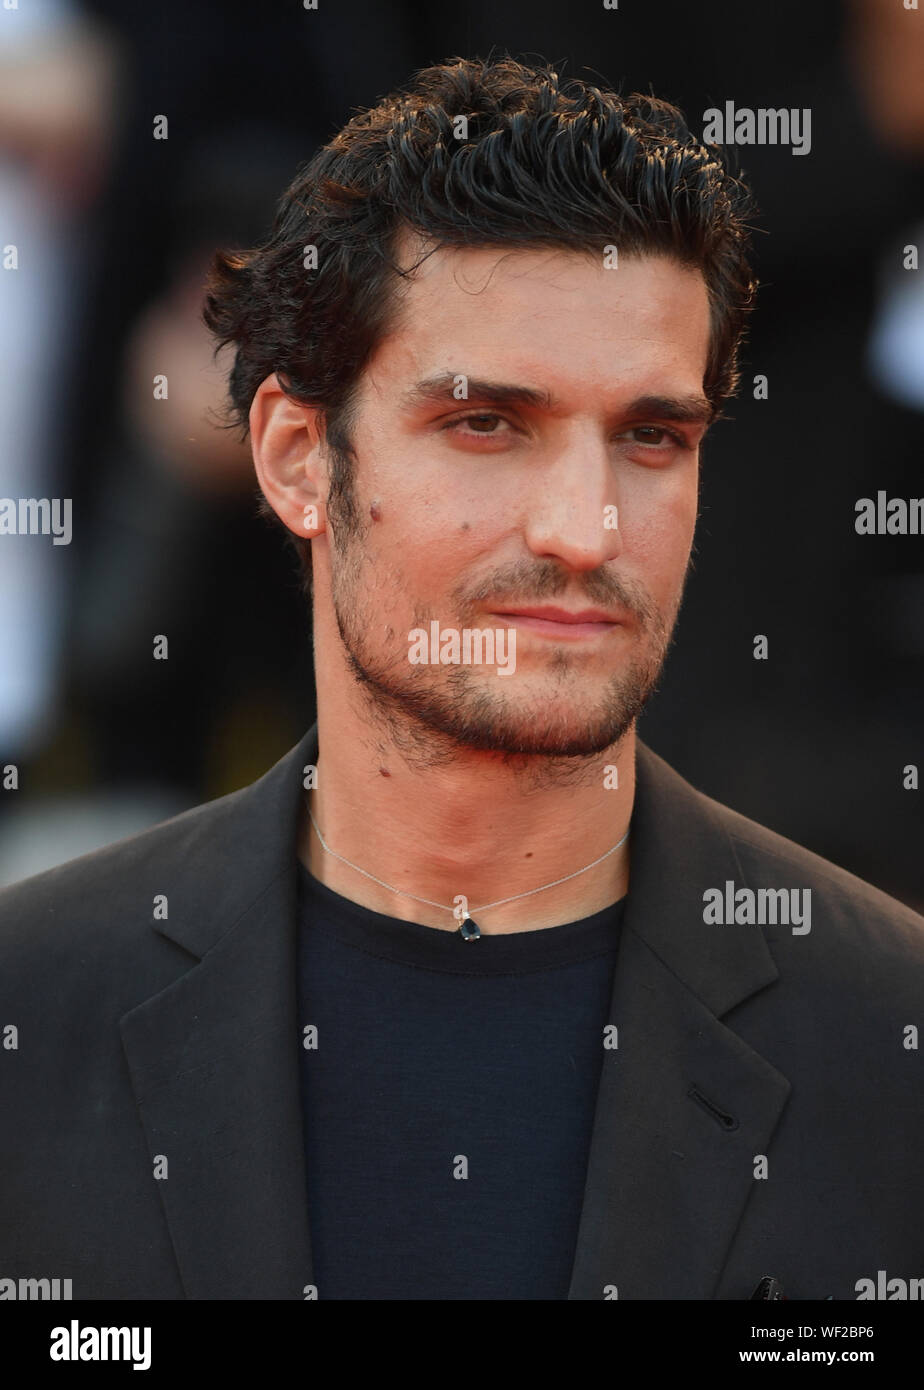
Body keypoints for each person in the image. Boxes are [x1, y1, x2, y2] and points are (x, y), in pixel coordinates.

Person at [1, 55, 921, 1303]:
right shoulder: (34, 1011)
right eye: (488, 423)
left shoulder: (886, 1039)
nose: (586, 531)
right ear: (295, 458)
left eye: (653, 437)